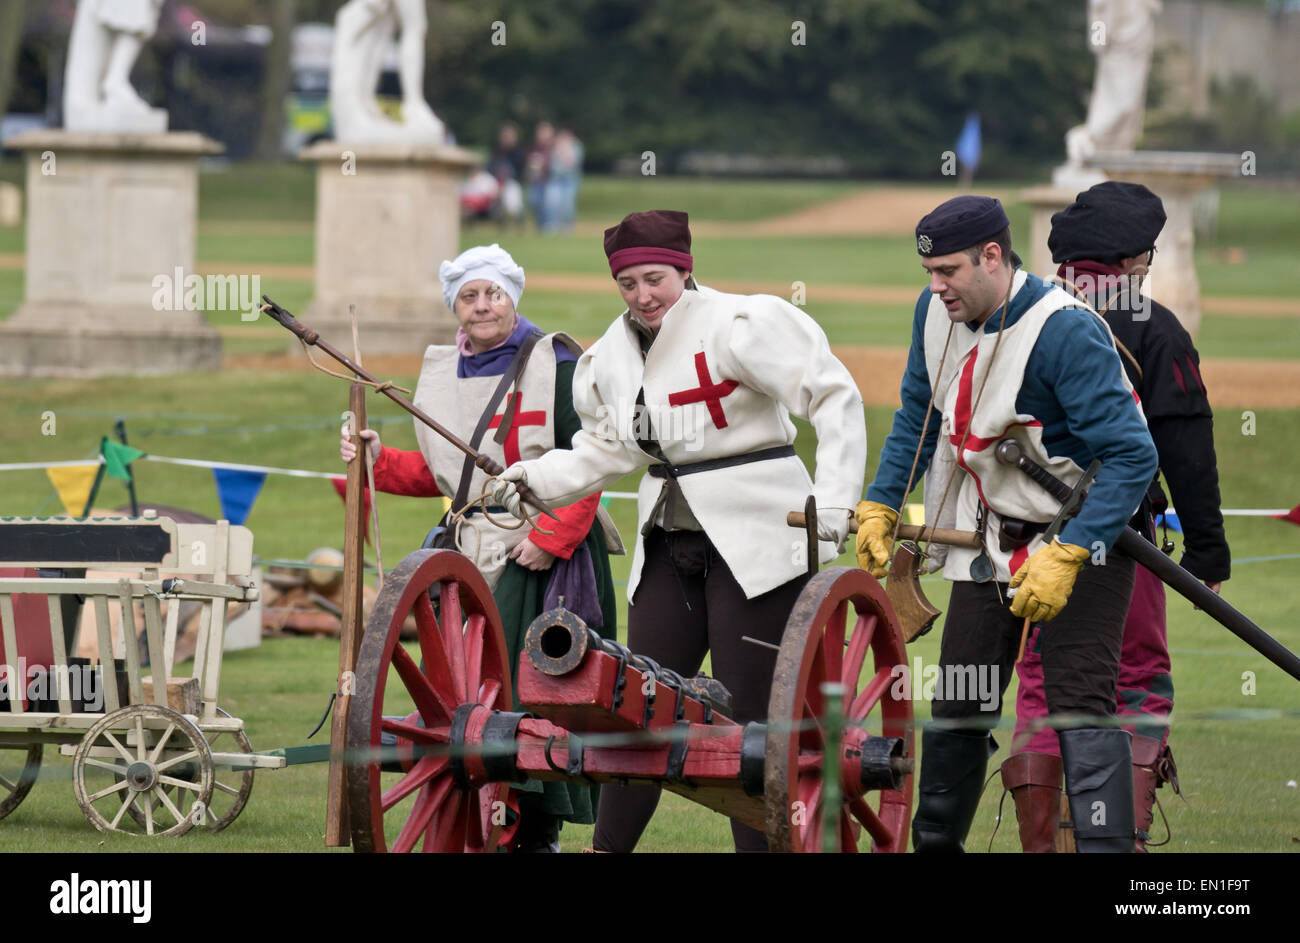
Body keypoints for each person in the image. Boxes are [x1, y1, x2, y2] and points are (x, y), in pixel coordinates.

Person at [491, 210, 865, 852]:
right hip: (669, 539)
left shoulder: (741, 325)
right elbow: (605, 449)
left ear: (685, 270)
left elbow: (833, 396)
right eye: (629, 283)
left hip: (761, 542)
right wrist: (536, 478)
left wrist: (833, 502)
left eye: (655, 278)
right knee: (635, 708)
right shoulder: (608, 355)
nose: (643, 296)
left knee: (752, 728)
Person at [855, 195, 1158, 853]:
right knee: (962, 703)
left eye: (949, 271)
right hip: (992, 535)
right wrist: (881, 499)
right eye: (929, 272)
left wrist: (1072, 550)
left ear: (994, 256)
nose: (936, 287)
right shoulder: (933, 313)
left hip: (1088, 530)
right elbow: (918, 414)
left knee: (1080, 710)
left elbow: (1133, 455)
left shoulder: (1064, 329)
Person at [338, 244, 618, 852]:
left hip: (545, 552)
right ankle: (485, 818)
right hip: (470, 549)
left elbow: (593, 460)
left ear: (513, 297)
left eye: (493, 293)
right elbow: (447, 478)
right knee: (469, 702)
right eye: (470, 296)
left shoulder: (557, 361)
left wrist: (550, 537)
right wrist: (378, 460)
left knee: (529, 694)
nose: (483, 305)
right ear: (455, 307)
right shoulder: (440, 371)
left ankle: (536, 831)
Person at [1001, 182, 1230, 853]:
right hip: (1121, 542)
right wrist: (1207, 553)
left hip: (1020, 541)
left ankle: (1045, 843)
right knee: (1132, 675)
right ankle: (1113, 841)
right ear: (1132, 260)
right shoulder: (1154, 327)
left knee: (1042, 681)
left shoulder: (1018, 316)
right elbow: (1185, 447)